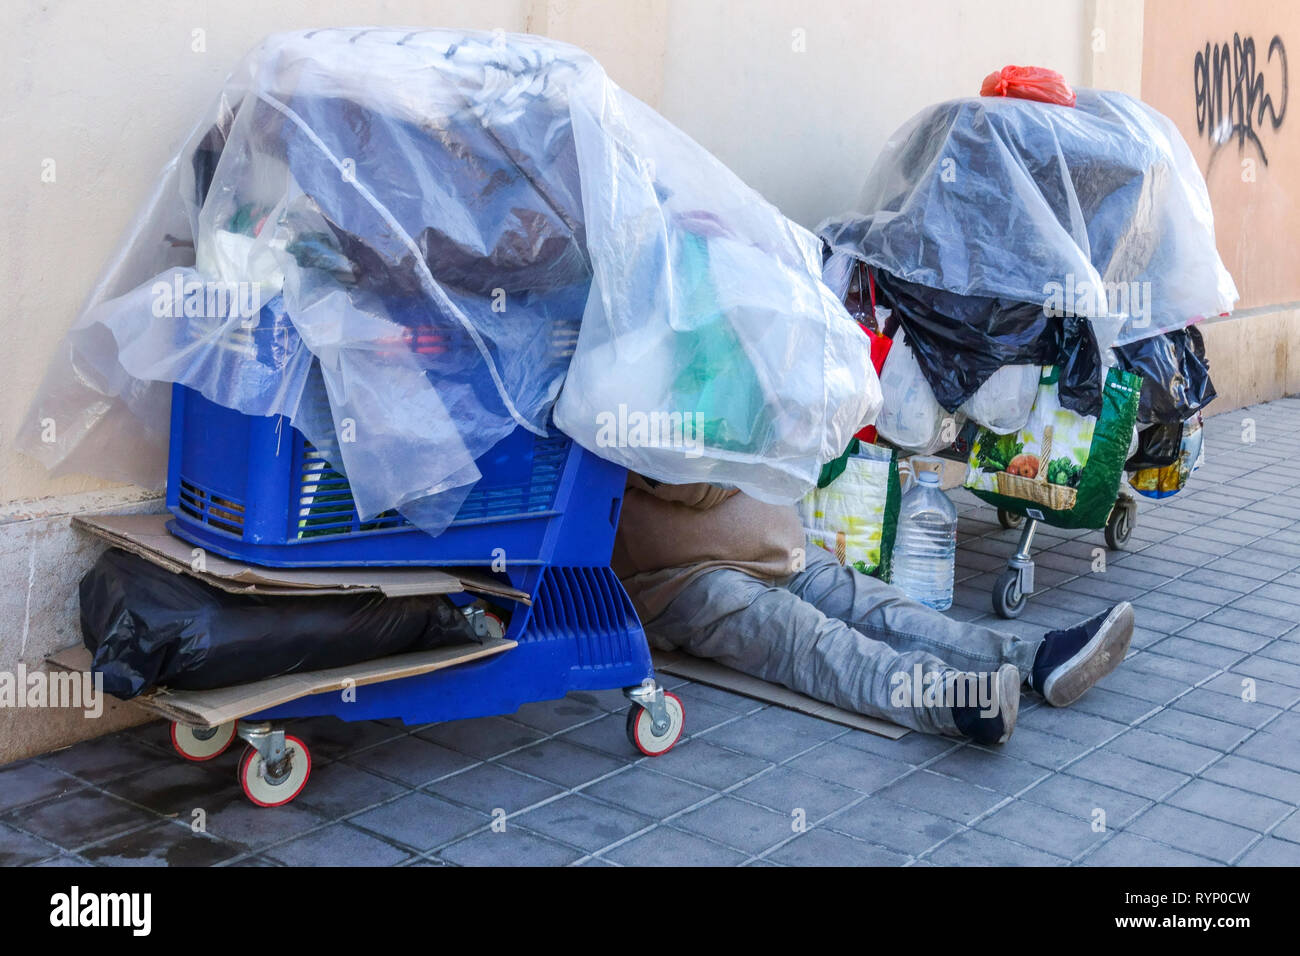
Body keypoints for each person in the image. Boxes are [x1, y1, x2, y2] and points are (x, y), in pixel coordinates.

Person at [612, 476, 1134, 744]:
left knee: (879, 607)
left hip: (779, 550)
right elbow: (689, 479)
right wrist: (756, 442)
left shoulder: (709, 345)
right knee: (810, 641)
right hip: (686, 581)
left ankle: (1033, 659)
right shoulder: (613, 384)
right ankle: (954, 699)